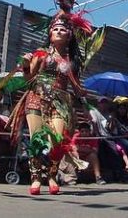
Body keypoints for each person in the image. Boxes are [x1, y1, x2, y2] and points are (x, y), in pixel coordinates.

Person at [8, 14, 88, 195]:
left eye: (63, 29)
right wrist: (26, 64)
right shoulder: (41, 53)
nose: (58, 31)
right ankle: (36, 178)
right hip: (37, 97)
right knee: (37, 140)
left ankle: (51, 175)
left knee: (57, 141)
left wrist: (84, 98)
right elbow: (28, 77)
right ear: (50, 34)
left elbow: (76, 87)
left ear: (69, 35)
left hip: (60, 102)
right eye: (55, 29)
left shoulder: (72, 61)